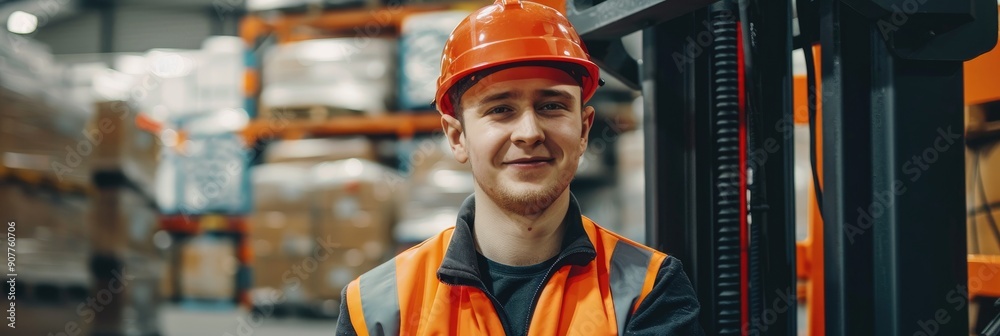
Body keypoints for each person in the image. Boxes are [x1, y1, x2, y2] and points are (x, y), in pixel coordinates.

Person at [336, 0, 703, 334]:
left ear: (584, 129)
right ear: (457, 137)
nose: (528, 133)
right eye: (500, 109)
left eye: (551, 106)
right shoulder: (376, 309)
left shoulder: (650, 290)